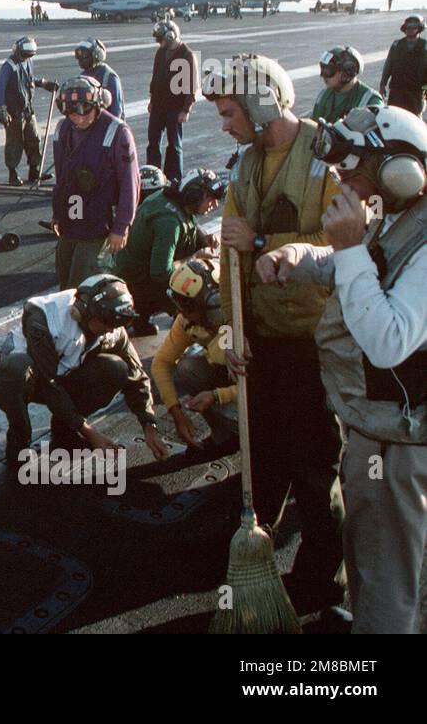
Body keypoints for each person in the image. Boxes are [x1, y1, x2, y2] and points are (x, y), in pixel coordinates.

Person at [256, 105, 427, 633]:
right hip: (375, 430)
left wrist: (350, 247)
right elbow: (356, 265)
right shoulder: (399, 217)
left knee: (386, 576)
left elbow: (388, 342)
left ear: (401, 171)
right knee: (381, 559)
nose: (342, 182)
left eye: (353, 170)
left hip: (398, 445)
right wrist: (302, 257)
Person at [203, 53, 347, 614]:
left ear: (262, 104)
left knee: (317, 466)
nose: (225, 124)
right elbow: (228, 262)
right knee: (261, 459)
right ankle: (254, 556)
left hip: (315, 340)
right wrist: (232, 331)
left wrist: (264, 245)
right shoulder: (243, 167)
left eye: (231, 111)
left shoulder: (327, 158)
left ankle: (323, 578)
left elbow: (350, 245)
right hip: (262, 339)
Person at [0, 274, 170, 466]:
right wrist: (89, 431)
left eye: (116, 325)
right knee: (16, 369)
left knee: (117, 368)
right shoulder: (43, 320)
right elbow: (49, 384)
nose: (111, 331)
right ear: (85, 313)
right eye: (108, 325)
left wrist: (149, 424)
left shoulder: (110, 324)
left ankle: (64, 434)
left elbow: (136, 374)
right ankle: (19, 442)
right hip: (30, 379)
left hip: (62, 374)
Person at [49, 76, 138, 291]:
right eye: (72, 113)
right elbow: (63, 178)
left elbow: (130, 182)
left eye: (85, 111)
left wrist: (122, 226)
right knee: (64, 275)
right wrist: (58, 214)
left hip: (99, 224)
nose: (79, 118)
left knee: (83, 283)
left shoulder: (117, 133)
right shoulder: (62, 130)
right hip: (71, 220)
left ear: (98, 104)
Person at [112, 168, 225, 336]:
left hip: (131, 271)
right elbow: (160, 272)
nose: (215, 205)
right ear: (194, 197)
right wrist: (194, 258)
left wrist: (203, 239)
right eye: (210, 199)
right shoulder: (169, 223)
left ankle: (142, 316)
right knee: (198, 280)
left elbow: (187, 222)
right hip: (138, 281)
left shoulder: (170, 199)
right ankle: (180, 322)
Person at [151, 257, 239, 452]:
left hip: (261, 392)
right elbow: (161, 363)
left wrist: (217, 396)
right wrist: (177, 413)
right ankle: (225, 437)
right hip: (233, 379)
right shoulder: (188, 321)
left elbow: (263, 383)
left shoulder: (243, 323)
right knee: (188, 368)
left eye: (186, 307)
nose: (180, 313)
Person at [0, 36, 56, 186]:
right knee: (14, 143)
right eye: (25, 55)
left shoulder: (28, 61)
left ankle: (34, 171)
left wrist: (43, 83)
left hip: (28, 109)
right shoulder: (9, 65)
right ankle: (12, 174)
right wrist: (2, 108)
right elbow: (0, 89)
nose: (26, 58)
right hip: (13, 112)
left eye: (29, 55)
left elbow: (29, 79)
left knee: (34, 139)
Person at [148, 20, 198, 182]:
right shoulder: (160, 52)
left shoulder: (186, 55)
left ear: (170, 36)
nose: (159, 42)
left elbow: (192, 86)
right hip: (158, 107)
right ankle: (152, 177)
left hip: (175, 108)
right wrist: (152, 100)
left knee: (174, 146)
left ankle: (174, 179)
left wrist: (186, 109)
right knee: (153, 143)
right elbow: (155, 78)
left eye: (160, 39)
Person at [312, 46, 383, 124]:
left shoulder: (370, 101)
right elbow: (314, 125)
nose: (323, 75)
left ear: (347, 72)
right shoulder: (324, 96)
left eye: (328, 71)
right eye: (323, 69)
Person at [378, 15, 427, 117]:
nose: (410, 30)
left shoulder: (425, 46)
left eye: (414, 27)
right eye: (408, 27)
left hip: (416, 93)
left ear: (419, 29)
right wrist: (382, 84)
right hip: (397, 91)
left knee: (415, 120)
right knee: (394, 118)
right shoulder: (397, 45)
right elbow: (388, 65)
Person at [74, 37, 126, 120]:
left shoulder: (109, 77)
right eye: (79, 57)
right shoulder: (83, 76)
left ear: (97, 55)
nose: (80, 60)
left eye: (84, 56)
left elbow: (116, 111)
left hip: (106, 124)